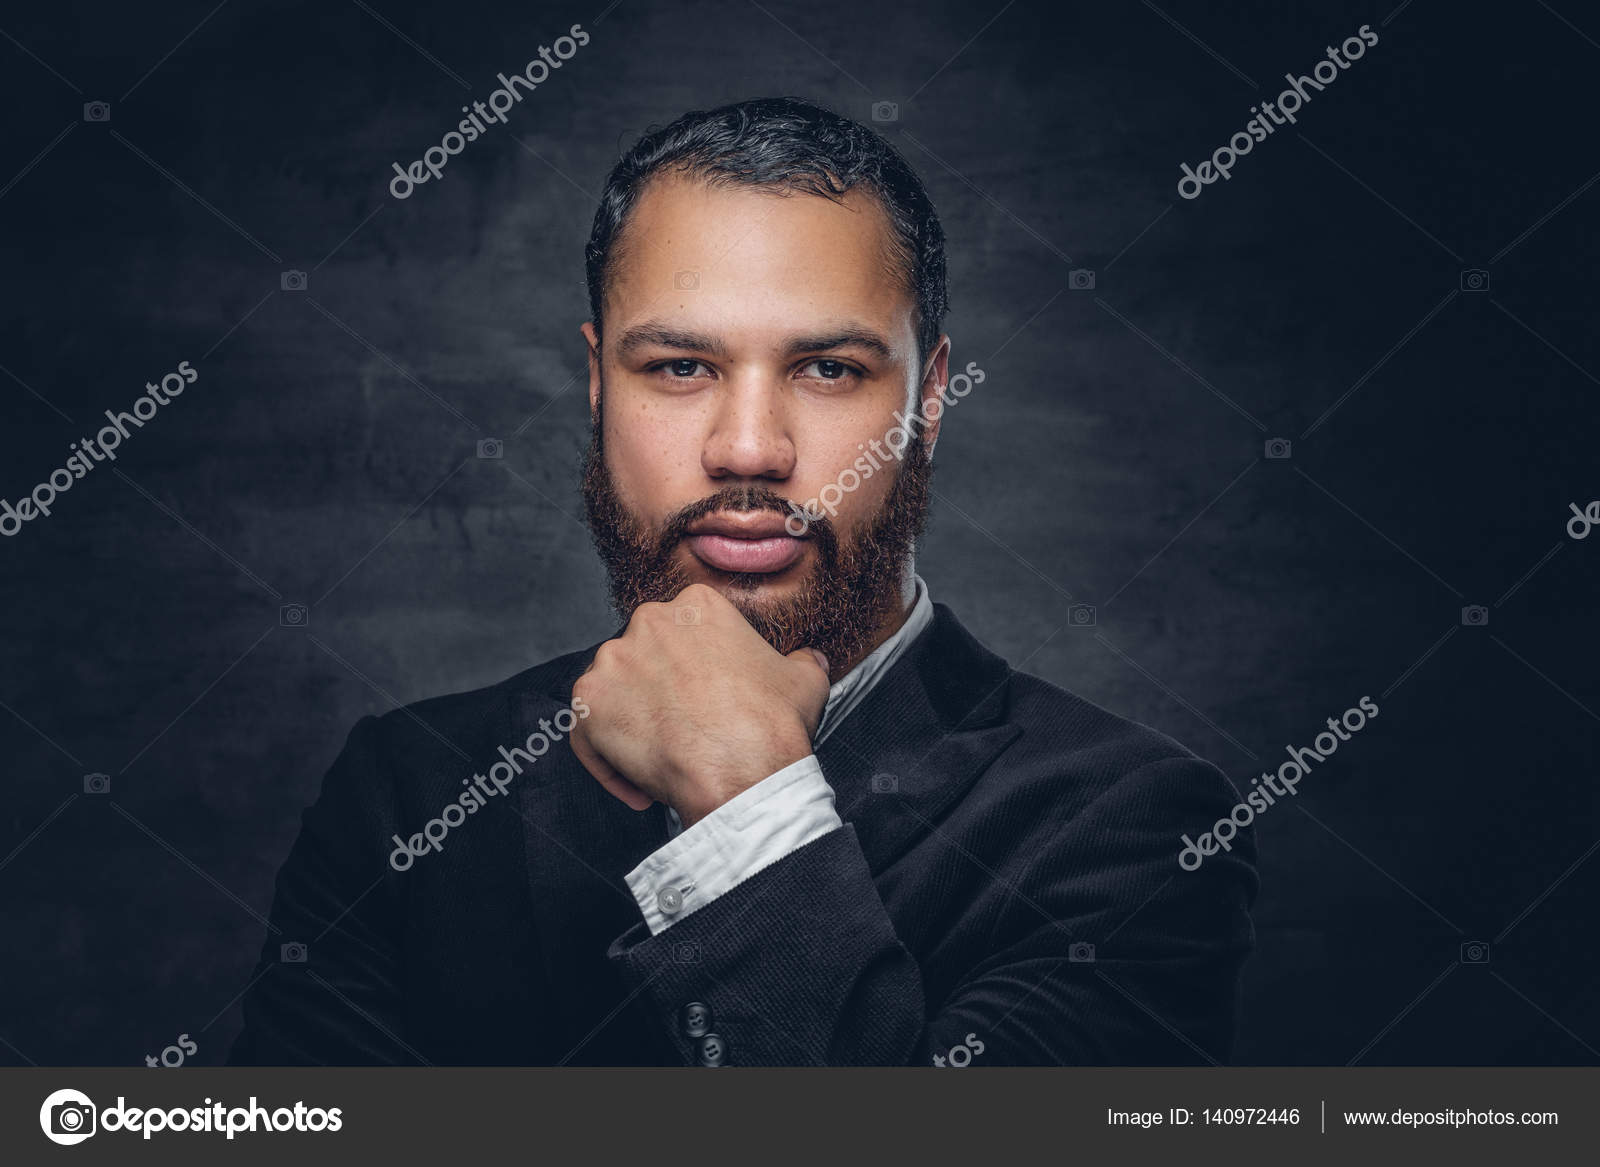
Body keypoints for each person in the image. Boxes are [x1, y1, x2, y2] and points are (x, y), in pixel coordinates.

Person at [229, 96, 1255, 1067]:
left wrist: (744, 803)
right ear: (597, 383)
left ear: (931, 398)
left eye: (829, 370)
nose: (750, 449)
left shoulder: (1129, 828)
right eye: (679, 367)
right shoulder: (410, 791)